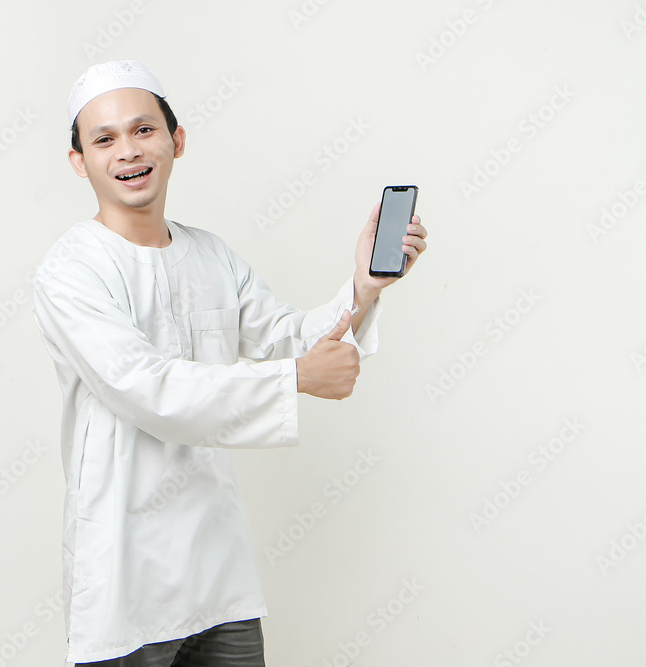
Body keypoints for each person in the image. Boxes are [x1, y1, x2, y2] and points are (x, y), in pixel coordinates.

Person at [31, 60, 428, 666]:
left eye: (143, 130)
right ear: (78, 161)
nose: (127, 152)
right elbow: (147, 388)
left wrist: (364, 288)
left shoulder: (210, 255)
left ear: (176, 140)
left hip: (218, 572)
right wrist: (296, 379)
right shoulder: (72, 270)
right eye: (104, 139)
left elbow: (287, 337)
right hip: (124, 576)